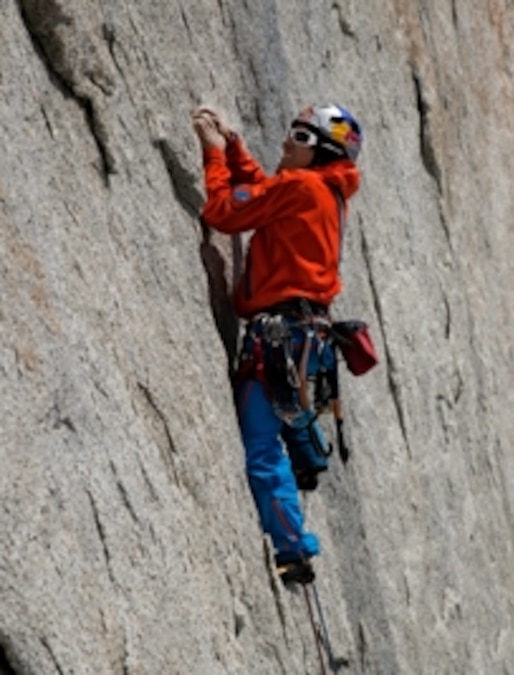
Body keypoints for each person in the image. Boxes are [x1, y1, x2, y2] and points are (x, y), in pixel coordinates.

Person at [192, 104, 363, 584]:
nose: (287, 142)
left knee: (262, 448)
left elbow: (223, 212)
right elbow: (267, 195)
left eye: (300, 137)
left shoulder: (302, 187)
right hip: (304, 336)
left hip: (278, 339)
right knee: (281, 415)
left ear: (322, 152)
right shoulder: (325, 192)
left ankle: (295, 547)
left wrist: (213, 154)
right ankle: (306, 454)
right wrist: (236, 149)